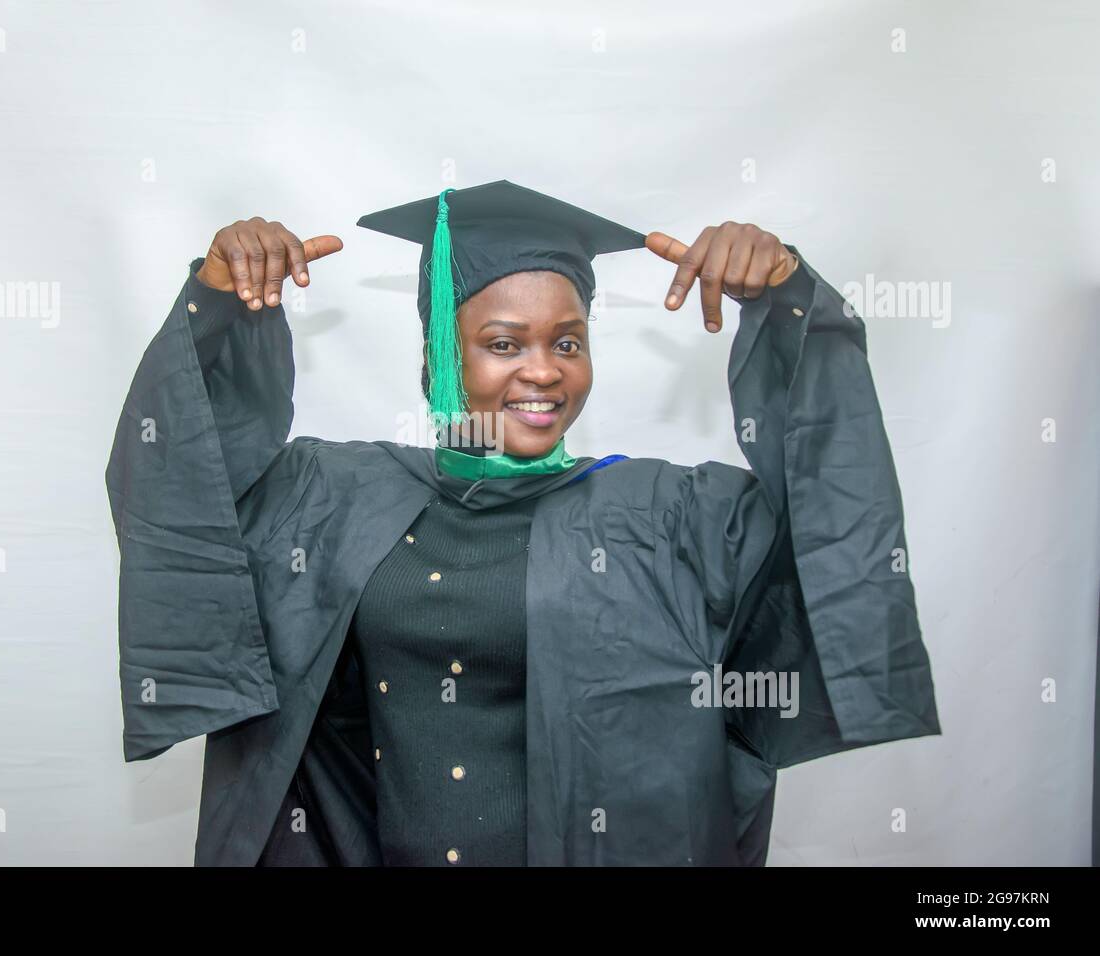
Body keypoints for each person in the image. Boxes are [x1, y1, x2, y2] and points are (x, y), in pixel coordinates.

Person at [104, 180, 940, 866]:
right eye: (504, 343)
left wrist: (793, 306)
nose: (543, 371)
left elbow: (837, 538)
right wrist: (215, 309)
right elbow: (185, 498)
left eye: (568, 343)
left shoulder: (671, 518)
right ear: (438, 355)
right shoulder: (331, 496)